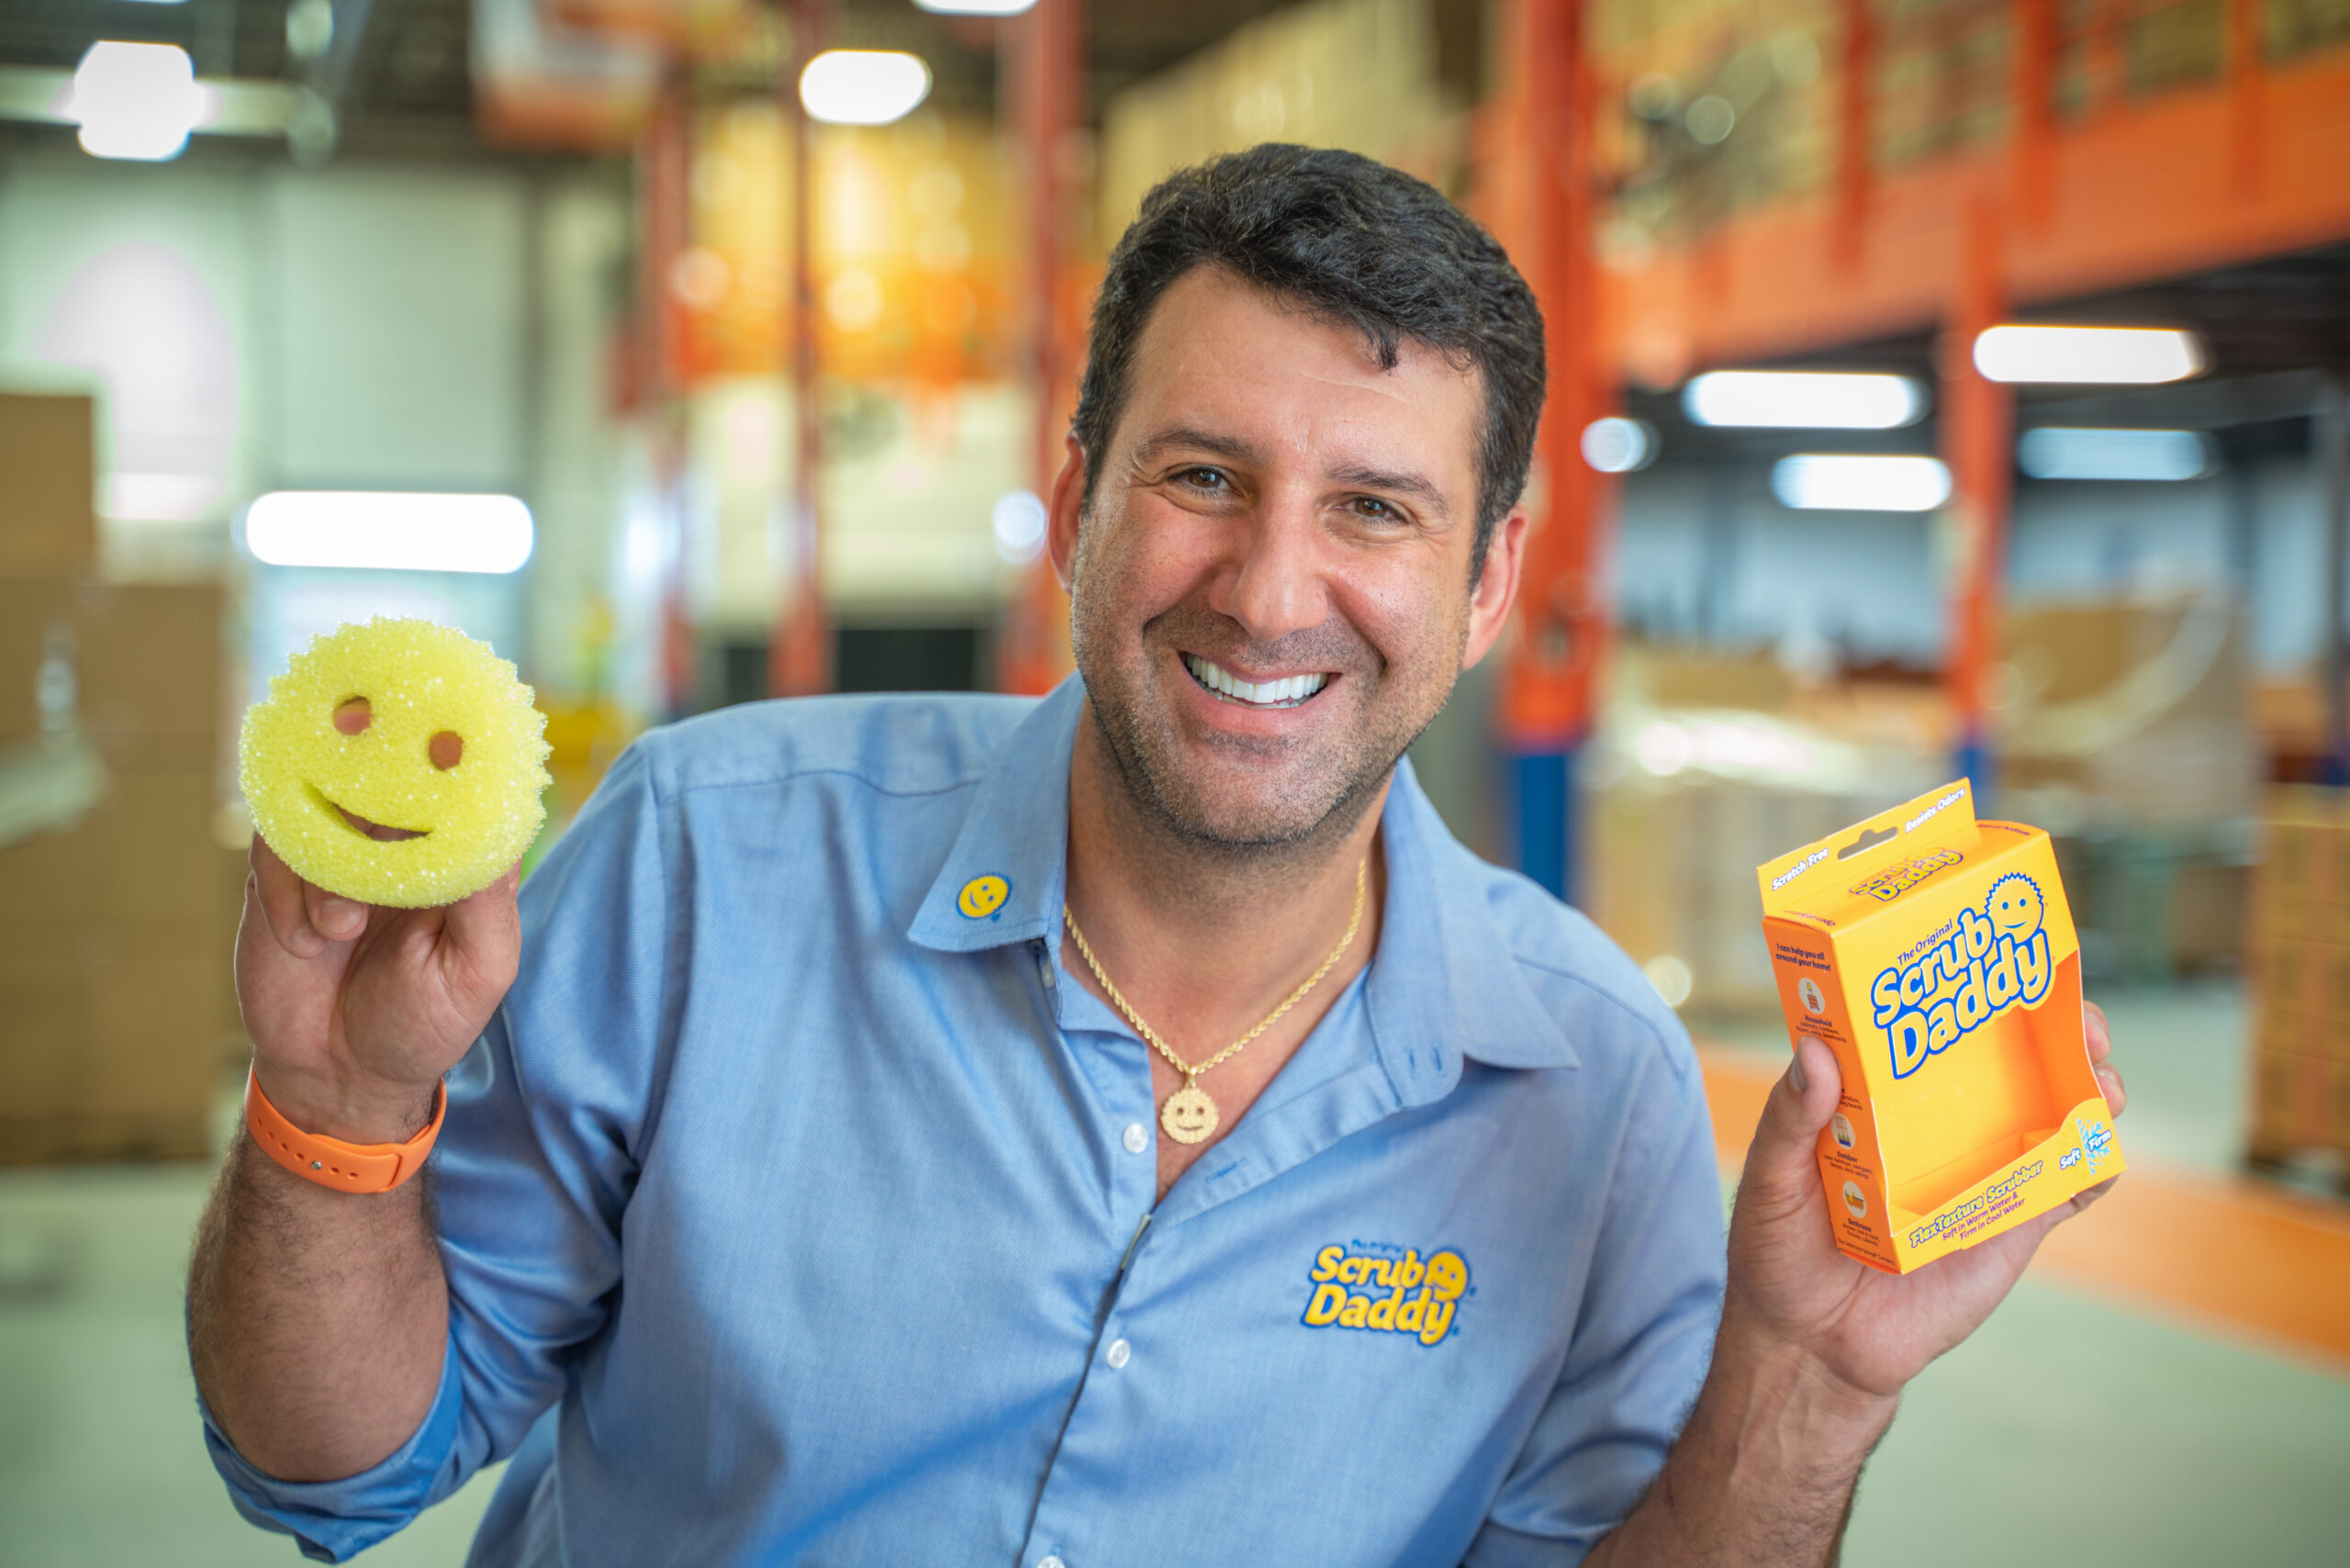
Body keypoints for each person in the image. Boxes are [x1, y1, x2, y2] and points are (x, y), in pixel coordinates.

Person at [187, 144, 2125, 1567]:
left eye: (1371, 505)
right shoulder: (706, 859)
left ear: (1483, 586)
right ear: (1074, 505)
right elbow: (332, 1464)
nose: (1271, 590)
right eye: (1201, 475)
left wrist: (1811, 1376)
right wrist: (333, 1114)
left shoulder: (1590, 1080)